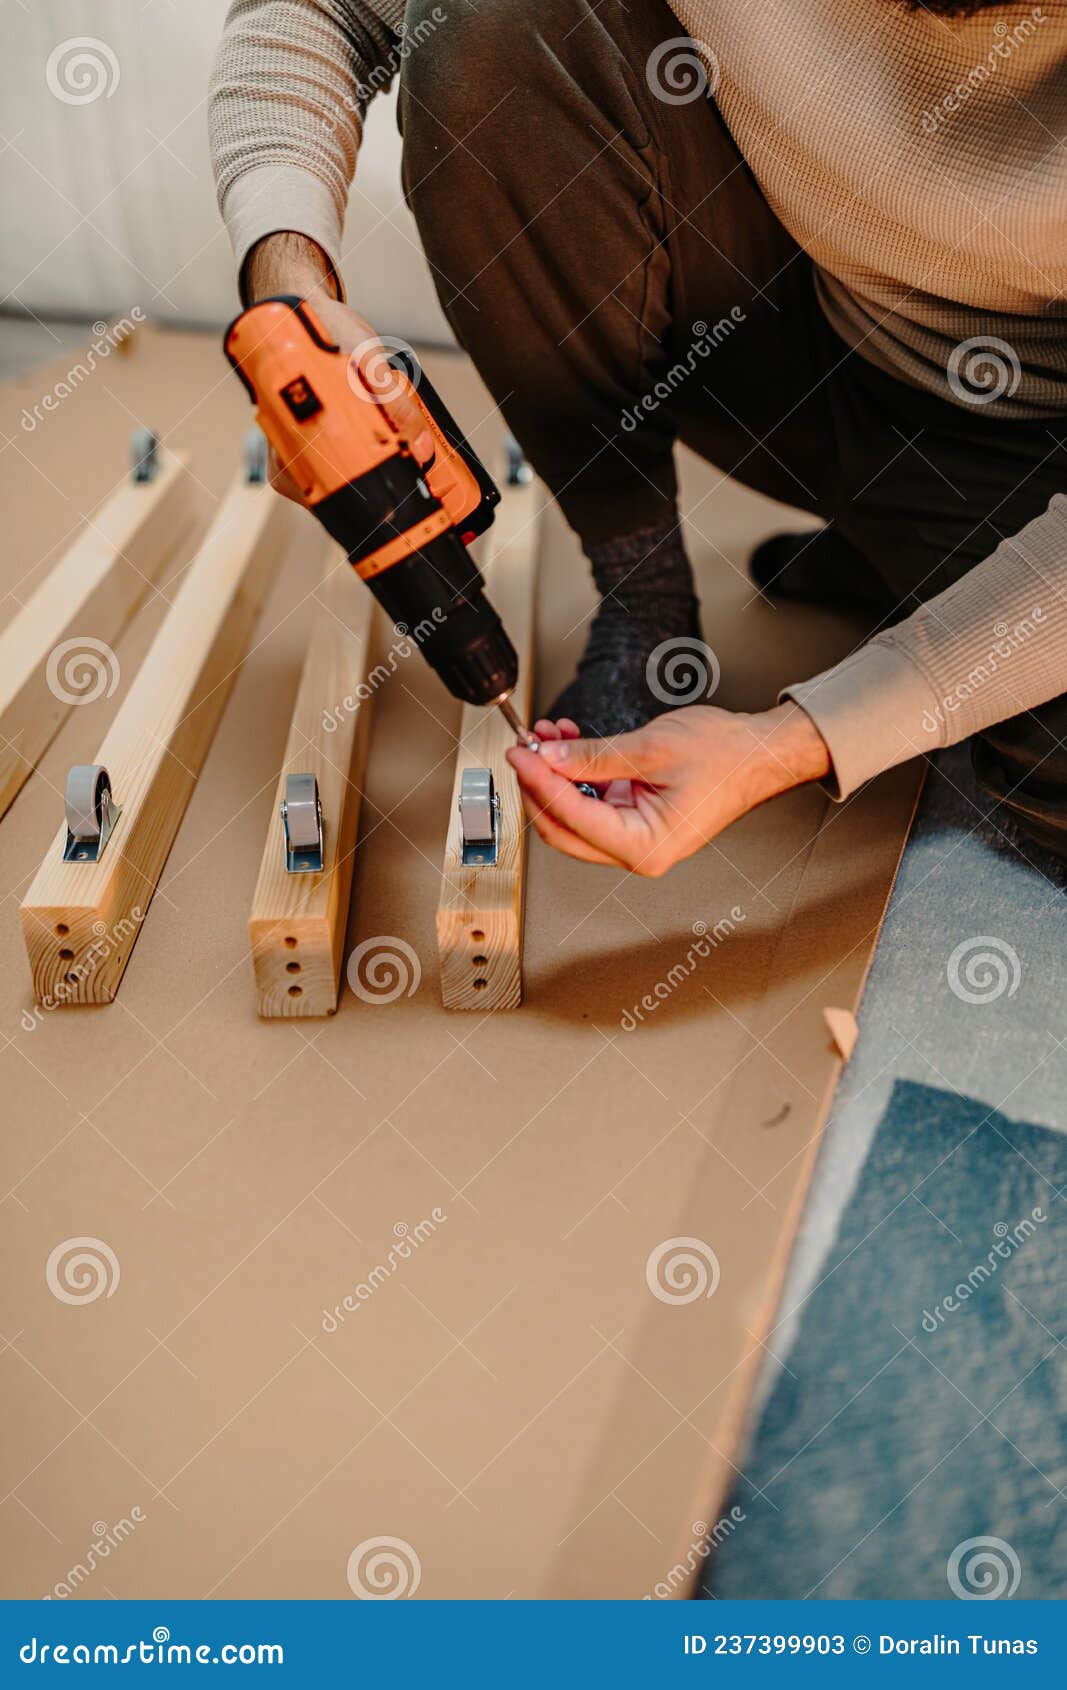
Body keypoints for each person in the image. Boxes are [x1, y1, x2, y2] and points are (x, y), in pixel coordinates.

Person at [210, 0, 1067, 876]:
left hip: (1040, 450)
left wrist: (796, 737)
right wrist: (290, 290)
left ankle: (921, 561)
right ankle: (645, 598)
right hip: (799, 338)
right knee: (490, 28)